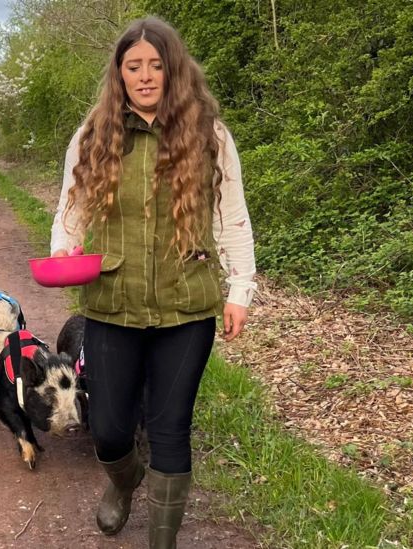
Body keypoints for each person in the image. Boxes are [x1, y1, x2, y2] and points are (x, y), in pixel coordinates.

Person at [49, 17, 256, 548]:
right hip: (111, 305)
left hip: (186, 309)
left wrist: (239, 290)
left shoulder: (209, 134)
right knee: (110, 428)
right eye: (133, 66)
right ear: (119, 74)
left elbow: (232, 218)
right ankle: (125, 480)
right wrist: (62, 252)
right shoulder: (93, 134)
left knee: (170, 429)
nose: (145, 76)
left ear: (174, 71)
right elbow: (70, 210)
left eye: (156, 66)